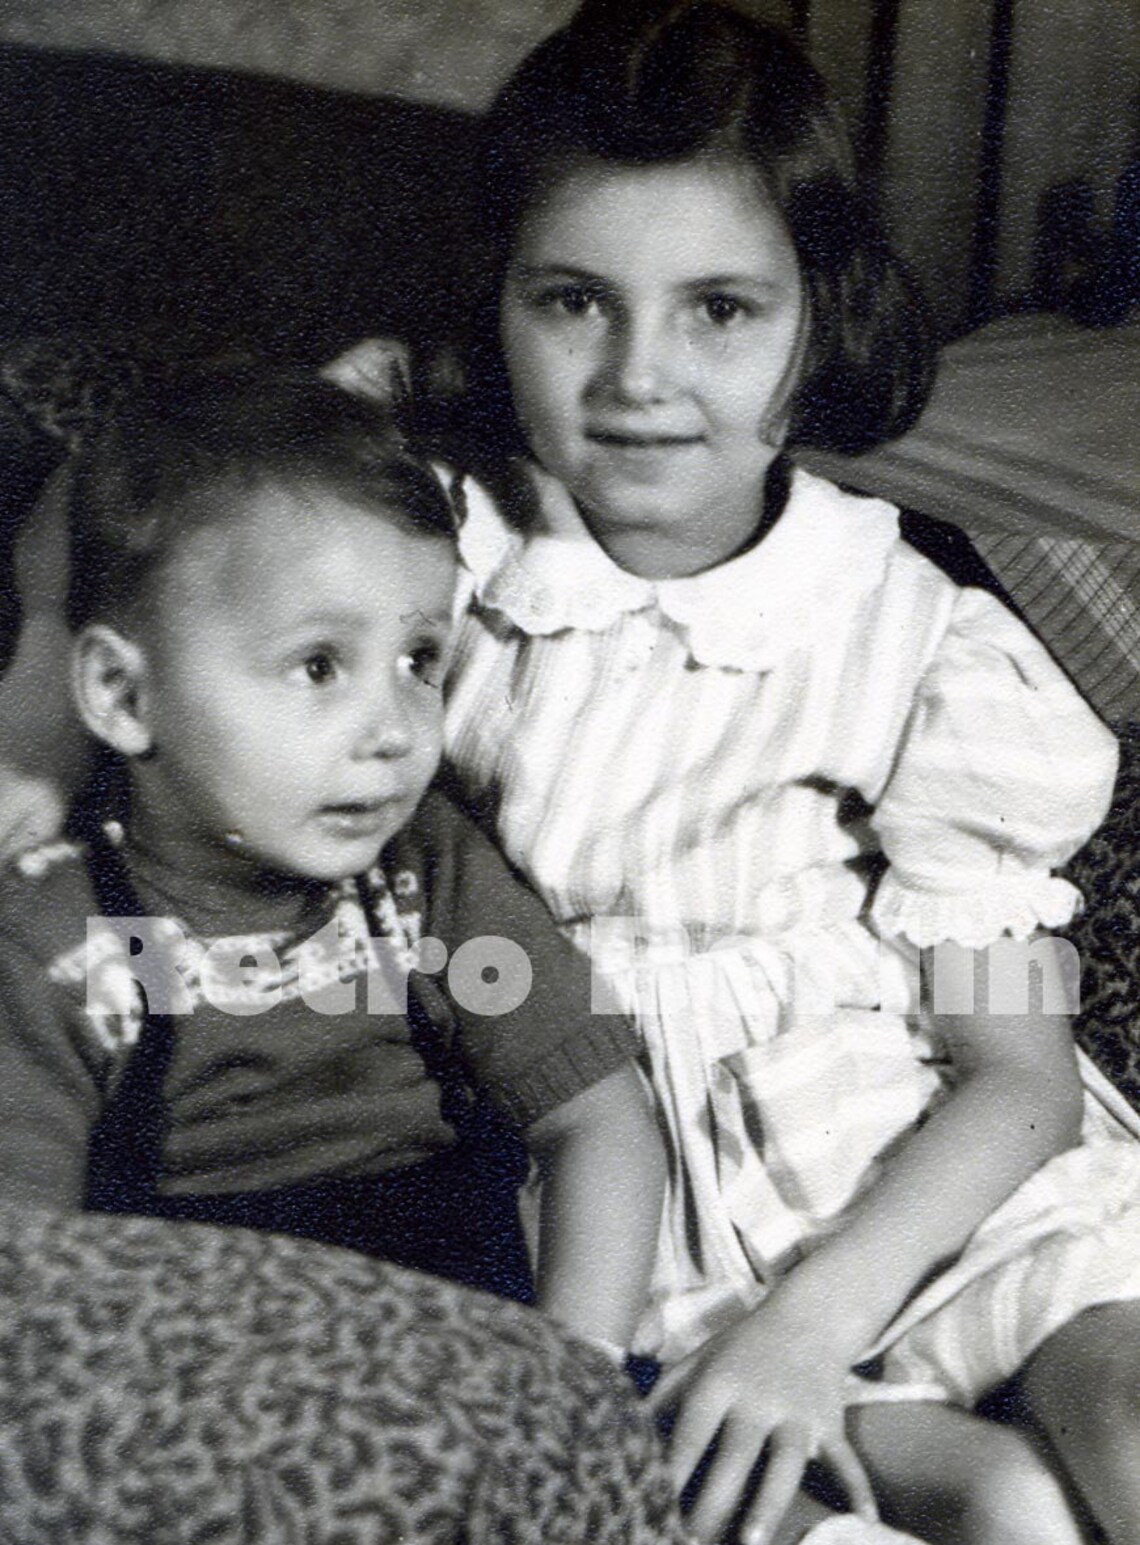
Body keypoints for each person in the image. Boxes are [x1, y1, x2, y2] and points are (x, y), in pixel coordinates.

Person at [410, 0, 1140, 1545]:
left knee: (1119, 1395)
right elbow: (159, 489)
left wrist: (819, 1313)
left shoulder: (920, 636)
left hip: (934, 1169)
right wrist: (32, 709)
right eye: (572, 301)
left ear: (820, 323)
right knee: (988, 1521)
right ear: (496, 306)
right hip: (636, 1200)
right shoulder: (439, 546)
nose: (640, 377)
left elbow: (1018, 1076)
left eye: (721, 309)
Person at [0, 367, 667, 1365]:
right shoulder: (63, 938)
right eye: (319, 666)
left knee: (739, 1498)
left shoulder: (428, 883)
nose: (396, 730)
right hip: (206, 1384)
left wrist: (578, 1382)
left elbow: (599, 1120)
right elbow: (25, 1273)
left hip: (469, 1354)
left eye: (420, 661)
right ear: (121, 695)